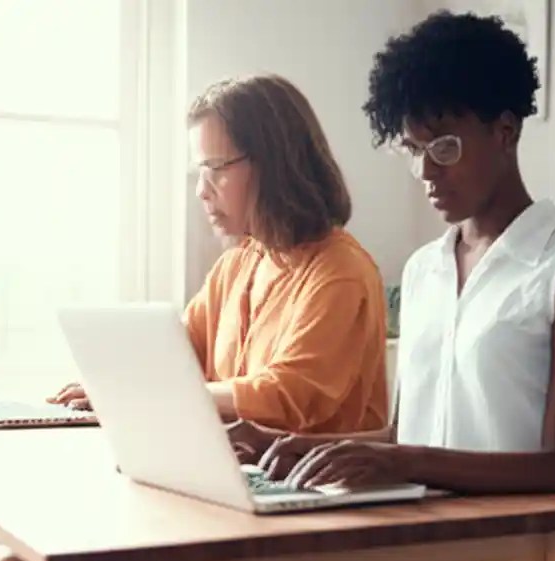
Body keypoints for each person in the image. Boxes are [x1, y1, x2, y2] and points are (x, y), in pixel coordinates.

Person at [217, 11, 555, 561]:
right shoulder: (424, 270)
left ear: (505, 132)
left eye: (444, 146)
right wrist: (286, 445)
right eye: (411, 148)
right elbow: (402, 435)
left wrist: (403, 462)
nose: (425, 171)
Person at [48, 75, 389, 436]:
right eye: (200, 171)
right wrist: (113, 386)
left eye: (215, 168)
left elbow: (291, 394)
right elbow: (177, 358)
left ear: (273, 164)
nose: (201, 190)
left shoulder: (341, 272)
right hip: (237, 464)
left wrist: (144, 396)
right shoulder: (236, 265)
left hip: (313, 471)